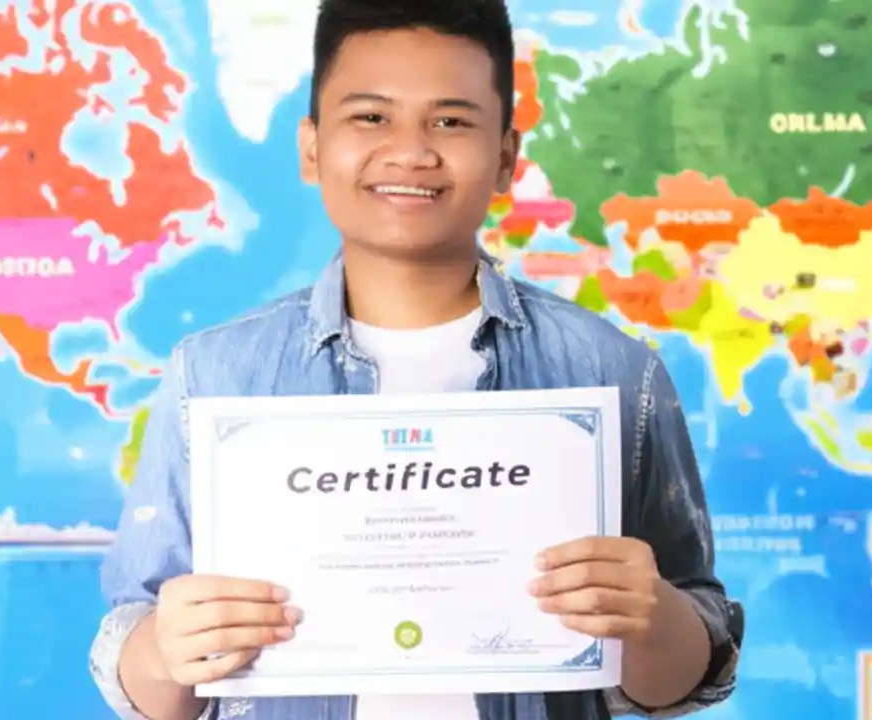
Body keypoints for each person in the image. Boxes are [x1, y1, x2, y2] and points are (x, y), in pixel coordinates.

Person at [89, 0, 744, 718]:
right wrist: (165, 650)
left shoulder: (615, 372)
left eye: (452, 121)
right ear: (310, 148)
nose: (410, 152)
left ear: (505, 157)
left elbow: (684, 670)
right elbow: (145, 667)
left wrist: (652, 618)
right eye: (371, 117)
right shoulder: (213, 376)